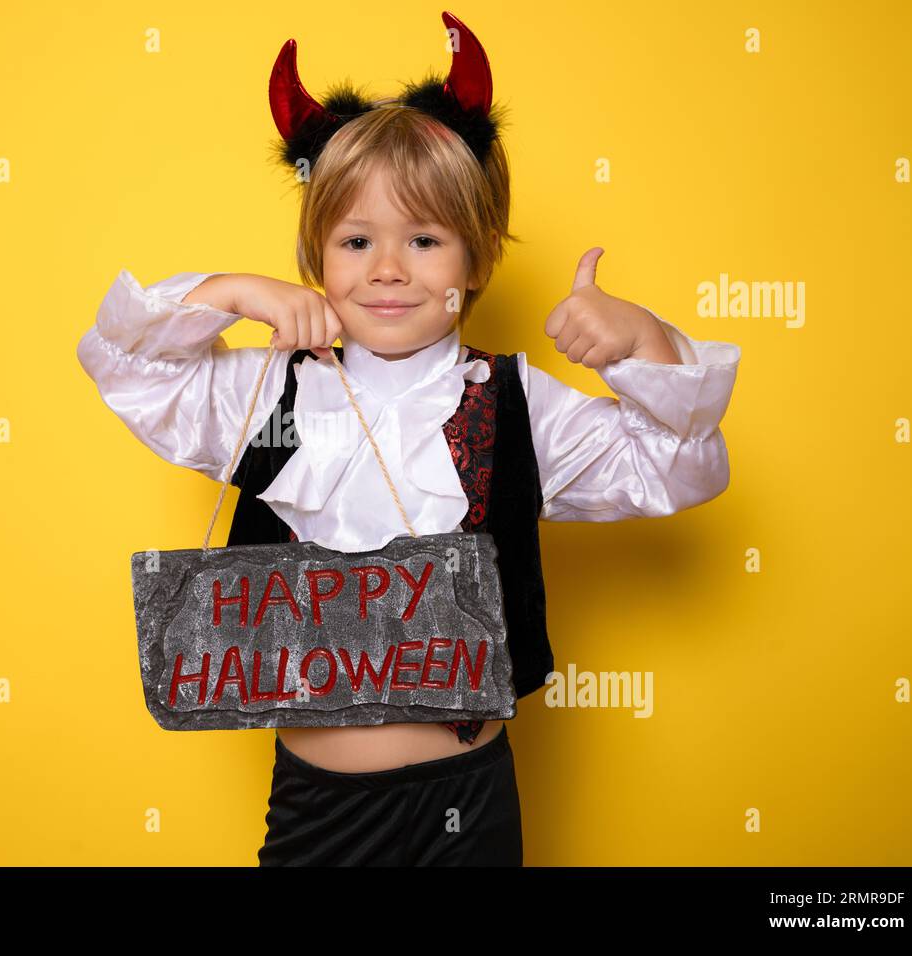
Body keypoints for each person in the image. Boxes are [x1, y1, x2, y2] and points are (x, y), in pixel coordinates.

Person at [76, 12, 740, 866]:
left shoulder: (513, 403)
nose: (388, 268)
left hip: (466, 804)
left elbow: (681, 468)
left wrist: (640, 339)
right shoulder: (271, 389)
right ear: (317, 254)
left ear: (477, 255)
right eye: (356, 241)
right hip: (314, 807)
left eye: (424, 240)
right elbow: (127, 365)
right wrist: (234, 293)